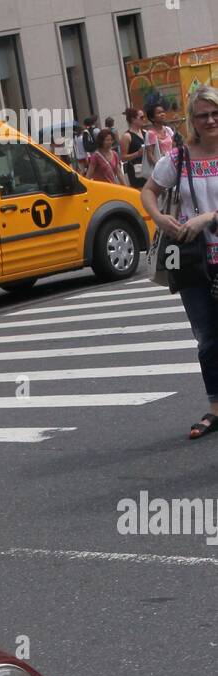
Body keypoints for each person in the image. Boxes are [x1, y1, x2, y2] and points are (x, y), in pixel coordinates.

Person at [142, 85, 218, 438]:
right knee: (206, 338)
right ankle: (215, 408)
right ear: (193, 120)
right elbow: (148, 191)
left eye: (215, 113)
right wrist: (159, 218)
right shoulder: (179, 158)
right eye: (203, 115)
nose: (210, 120)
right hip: (192, 261)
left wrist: (206, 218)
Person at [142, 100, 176, 177]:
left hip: (172, 165)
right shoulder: (151, 133)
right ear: (152, 118)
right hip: (160, 168)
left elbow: (174, 147)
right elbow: (150, 155)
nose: (162, 114)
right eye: (159, 113)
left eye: (163, 112)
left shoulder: (168, 130)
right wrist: (159, 167)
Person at [120, 108, 147, 189]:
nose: (144, 119)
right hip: (136, 170)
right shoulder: (127, 136)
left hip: (147, 168)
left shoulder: (145, 132)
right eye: (141, 117)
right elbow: (123, 157)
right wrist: (137, 153)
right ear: (133, 119)